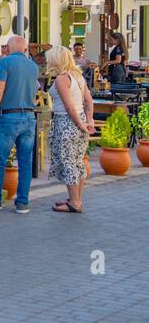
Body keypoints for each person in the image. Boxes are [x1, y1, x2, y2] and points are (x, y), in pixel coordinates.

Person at [0, 35, 40, 214]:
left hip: (9, 117)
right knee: (25, 162)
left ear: (8, 48)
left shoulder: (4, 63)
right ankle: (22, 202)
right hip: (29, 117)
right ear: (24, 48)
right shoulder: (33, 66)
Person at [45, 46, 95, 213]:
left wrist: (80, 124)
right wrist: (88, 121)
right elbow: (88, 101)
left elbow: (68, 106)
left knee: (68, 162)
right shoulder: (77, 76)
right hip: (79, 120)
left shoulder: (61, 78)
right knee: (78, 161)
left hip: (66, 121)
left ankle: (74, 202)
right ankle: (76, 198)